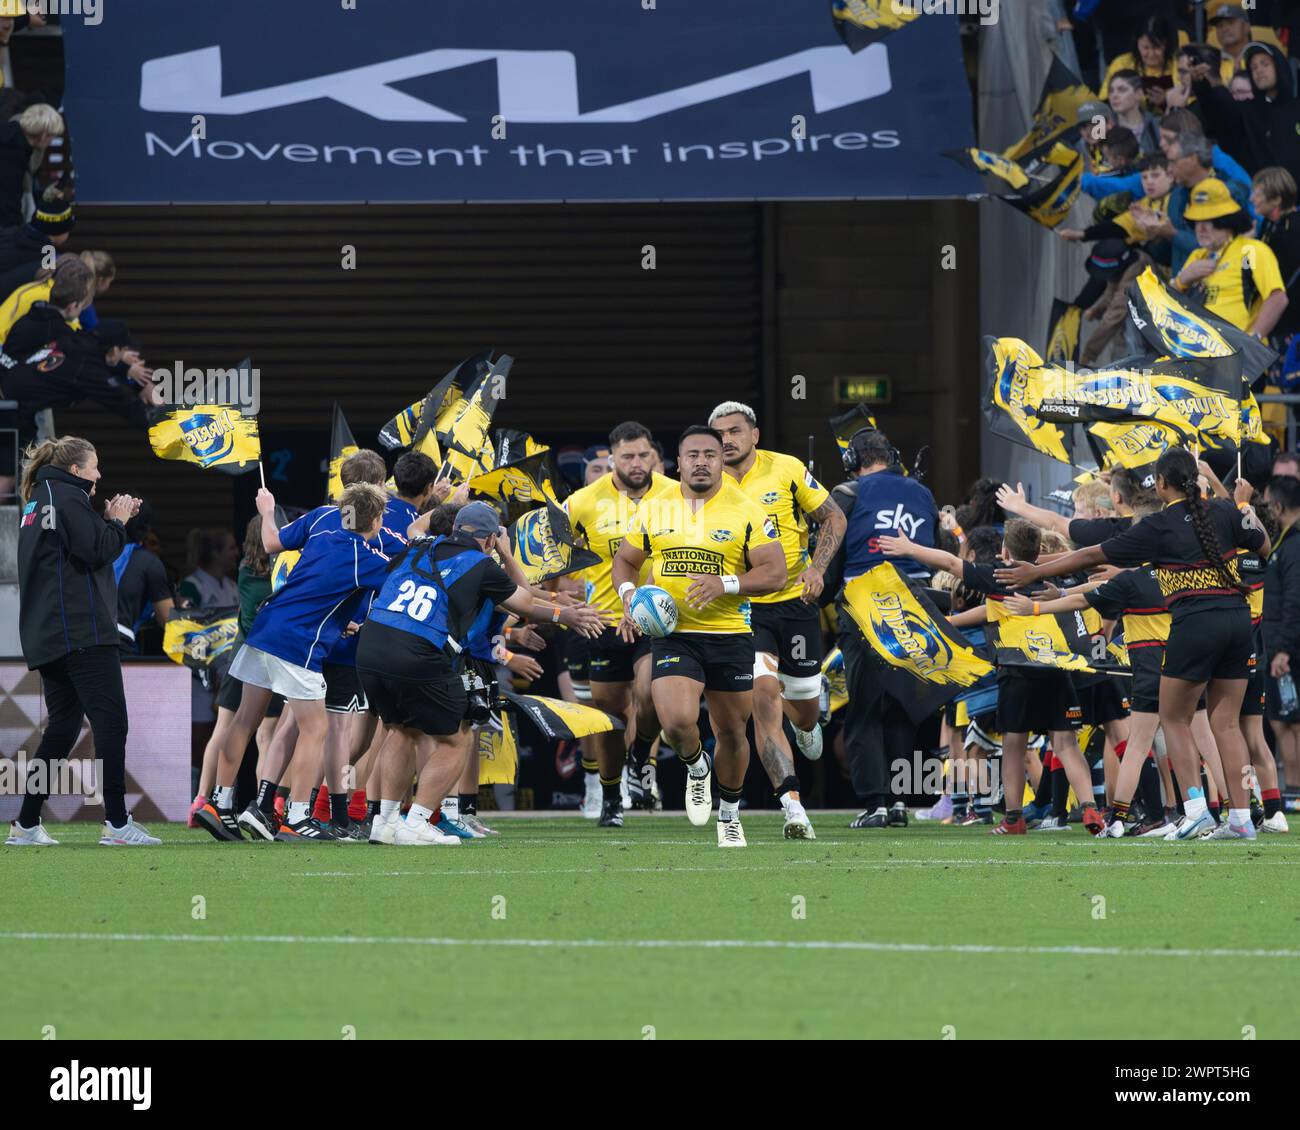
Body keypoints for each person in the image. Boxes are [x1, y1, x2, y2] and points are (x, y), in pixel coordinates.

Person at [996, 447, 1270, 841]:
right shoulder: (1225, 512)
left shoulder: (1157, 526)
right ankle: (1242, 818)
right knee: (1226, 725)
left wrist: (1034, 572)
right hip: (1238, 623)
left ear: (1160, 484)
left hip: (1195, 626)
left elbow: (1089, 554)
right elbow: (1261, 547)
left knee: (1174, 718)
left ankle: (1195, 810)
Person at [361, 501, 604, 846]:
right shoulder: (481, 563)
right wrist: (566, 616)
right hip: (417, 651)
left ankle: (383, 823)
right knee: (457, 738)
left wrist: (451, 500)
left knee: (402, 730)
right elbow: (521, 603)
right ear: (490, 539)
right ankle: (416, 821)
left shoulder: (420, 545)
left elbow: (416, 527)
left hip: (372, 644)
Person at [610, 424, 787, 848]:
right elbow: (626, 561)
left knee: (731, 733)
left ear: (722, 459)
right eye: (693, 455)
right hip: (674, 634)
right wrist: (630, 597)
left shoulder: (747, 509)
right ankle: (696, 767)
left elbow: (776, 573)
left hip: (730, 634)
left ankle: (729, 814)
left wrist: (724, 584)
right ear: (678, 461)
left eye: (711, 454)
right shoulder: (655, 507)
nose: (702, 461)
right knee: (676, 720)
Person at [194, 483, 393, 842]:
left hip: (265, 629)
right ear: (376, 519)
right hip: (299, 643)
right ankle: (299, 815)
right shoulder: (367, 558)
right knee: (316, 729)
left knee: (243, 721)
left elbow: (271, 543)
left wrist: (267, 510)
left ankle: (218, 803)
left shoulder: (320, 518)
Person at [882, 520, 1106, 838]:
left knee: (1013, 746)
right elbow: (994, 612)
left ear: (1004, 551)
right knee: (1067, 745)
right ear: (1036, 551)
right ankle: (1090, 808)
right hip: (1055, 666)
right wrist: (951, 622)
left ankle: (1013, 819)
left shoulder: (996, 575)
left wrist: (909, 548)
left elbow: (949, 562)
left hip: (1016, 670)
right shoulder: (1048, 575)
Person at [10, 435, 160, 846]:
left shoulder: (37, 501)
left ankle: (25, 823)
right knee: (112, 724)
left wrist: (106, 520)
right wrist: (117, 520)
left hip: (49, 636)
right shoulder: (67, 499)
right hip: (82, 633)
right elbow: (99, 550)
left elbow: (76, 551)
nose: (100, 474)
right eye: (95, 467)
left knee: (61, 729)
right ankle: (116, 823)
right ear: (76, 471)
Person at [709, 400, 846, 839]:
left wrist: (817, 569)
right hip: (743, 608)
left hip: (795, 604)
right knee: (764, 696)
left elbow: (834, 517)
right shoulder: (703, 483)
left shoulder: (785, 469)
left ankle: (809, 717)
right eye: (719, 434)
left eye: (734, 431)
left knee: (803, 714)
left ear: (755, 435)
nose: (727, 440)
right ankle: (792, 805)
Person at [562, 420, 677, 826]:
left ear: (654, 456)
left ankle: (640, 760)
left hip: (655, 622)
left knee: (650, 695)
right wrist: (561, 594)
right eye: (627, 456)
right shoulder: (581, 502)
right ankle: (611, 797)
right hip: (604, 624)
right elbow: (551, 555)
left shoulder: (676, 494)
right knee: (609, 718)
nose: (637, 462)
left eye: (644, 454)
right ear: (611, 459)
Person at [825, 427, 939, 829]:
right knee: (900, 709)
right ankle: (898, 802)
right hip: (917, 605)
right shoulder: (923, 494)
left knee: (864, 707)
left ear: (852, 461)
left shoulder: (847, 493)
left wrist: (817, 594)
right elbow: (934, 548)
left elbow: (830, 559)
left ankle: (874, 802)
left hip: (866, 605)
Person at [1172, 177, 1288, 337]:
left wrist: (1253, 341)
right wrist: (1182, 279)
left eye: (1210, 221)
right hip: (1196, 352)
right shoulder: (1197, 256)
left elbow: (1277, 298)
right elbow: (1167, 305)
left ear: (1227, 221)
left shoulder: (1251, 250)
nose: (1201, 228)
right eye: (1197, 222)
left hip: (1238, 355)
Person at [1263, 473, 1300, 808]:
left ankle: (1294, 791)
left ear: (1278, 505)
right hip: (1286, 644)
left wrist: (1283, 649)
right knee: (1287, 718)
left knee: (1286, 719)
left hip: (1288, 648)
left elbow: (1294, 599)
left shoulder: (1291, 546)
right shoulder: (1288, 542)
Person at [113, 500, 174, 653]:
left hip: (81, 641)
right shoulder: (149, 562)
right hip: (119, 646)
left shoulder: (93, 554)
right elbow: (168, 620)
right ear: (147, 530)